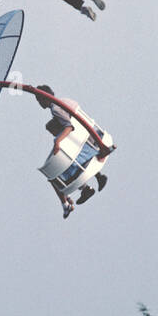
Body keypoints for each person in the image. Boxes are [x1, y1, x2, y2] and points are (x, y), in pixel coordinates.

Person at [34, 84, 110, 219]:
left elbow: (69, 127)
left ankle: (69, 202)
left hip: (85, 147)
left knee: (54, 176)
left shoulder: (56, 108)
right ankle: (97, 177)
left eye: (39, 101)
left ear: (44, 99)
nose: (39, 104)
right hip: (94, 137)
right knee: (50, 126)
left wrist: (57, 142)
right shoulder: (65, 101)